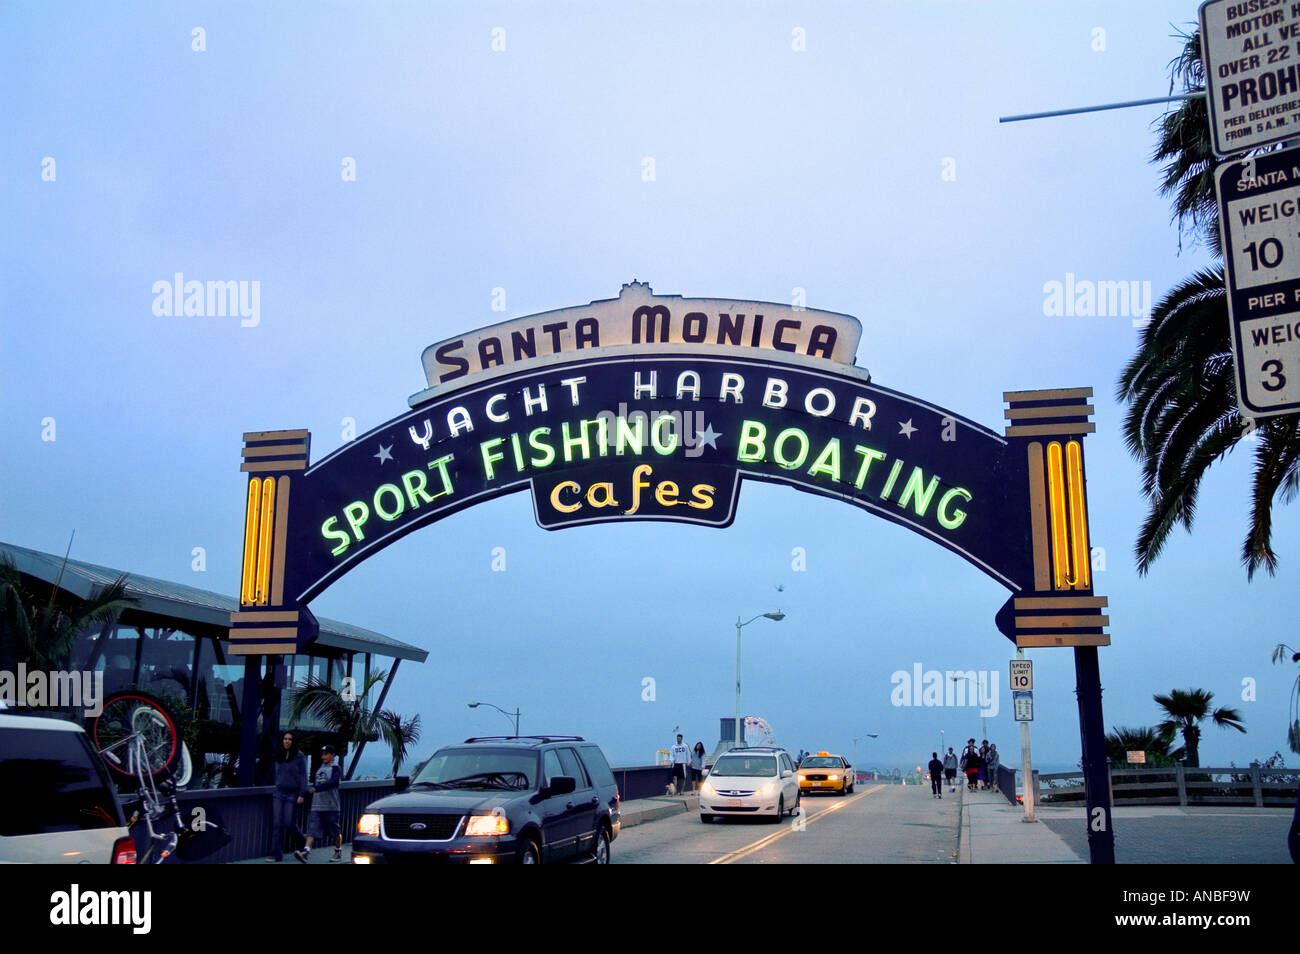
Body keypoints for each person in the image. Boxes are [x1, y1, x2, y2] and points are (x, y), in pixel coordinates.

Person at [297, 744, 343, 863]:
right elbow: (315, 783)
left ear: (332, 755)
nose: (323, 756)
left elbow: (334, 782)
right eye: (322, 754)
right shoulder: (320, 769)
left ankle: (338, 850)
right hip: (317, 805)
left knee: (334, 830)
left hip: (331, 806)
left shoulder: (335, 768)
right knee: (312, 829)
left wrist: (318, 788)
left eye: (326, 754)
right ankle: (306, 851)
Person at [267, 731, 307, 862]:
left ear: (293, 741)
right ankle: (276, 854)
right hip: (279, 792)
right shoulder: (279, 754)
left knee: (288, 822)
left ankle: (303, 842)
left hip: (292, 793)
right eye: (285, 739)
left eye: (289, 739)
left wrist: (302, 793)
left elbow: (303, 776)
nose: (287, 741)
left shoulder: (299, 756)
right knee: (277, 824)